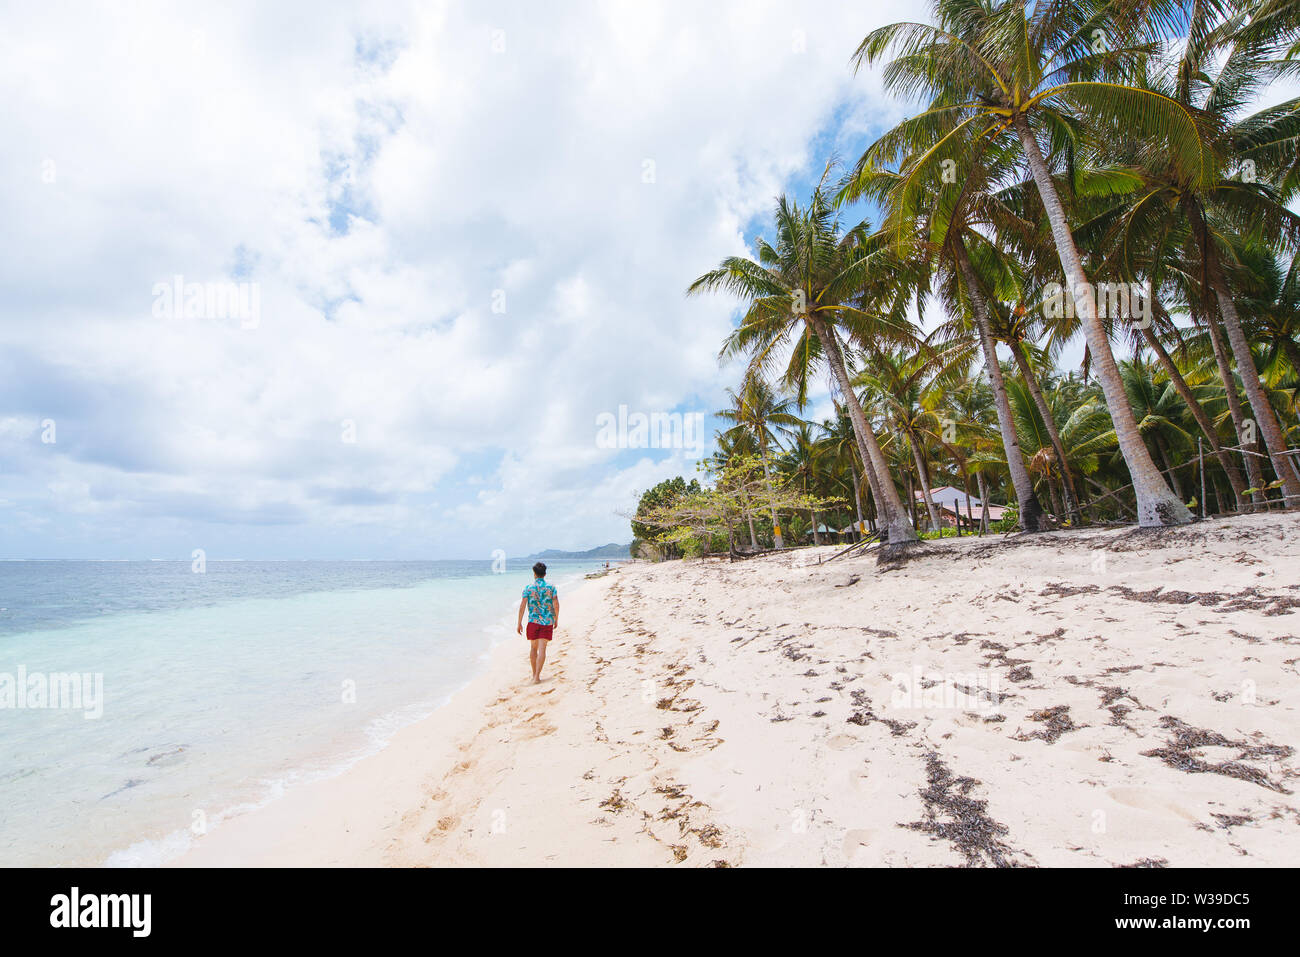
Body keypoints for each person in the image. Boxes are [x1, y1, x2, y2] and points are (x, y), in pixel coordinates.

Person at [517, 562, 559, 683]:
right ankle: (537, 677)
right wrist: (556, 619)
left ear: (534, 574)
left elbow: (522, 606)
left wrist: (519, 622)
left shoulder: (528, 588)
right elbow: (556, 604)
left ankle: (534, 674)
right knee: (542, 650)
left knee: (533, 648)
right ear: (544, 574)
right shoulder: (551, 588)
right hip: (547, 622)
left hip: (533, 622)